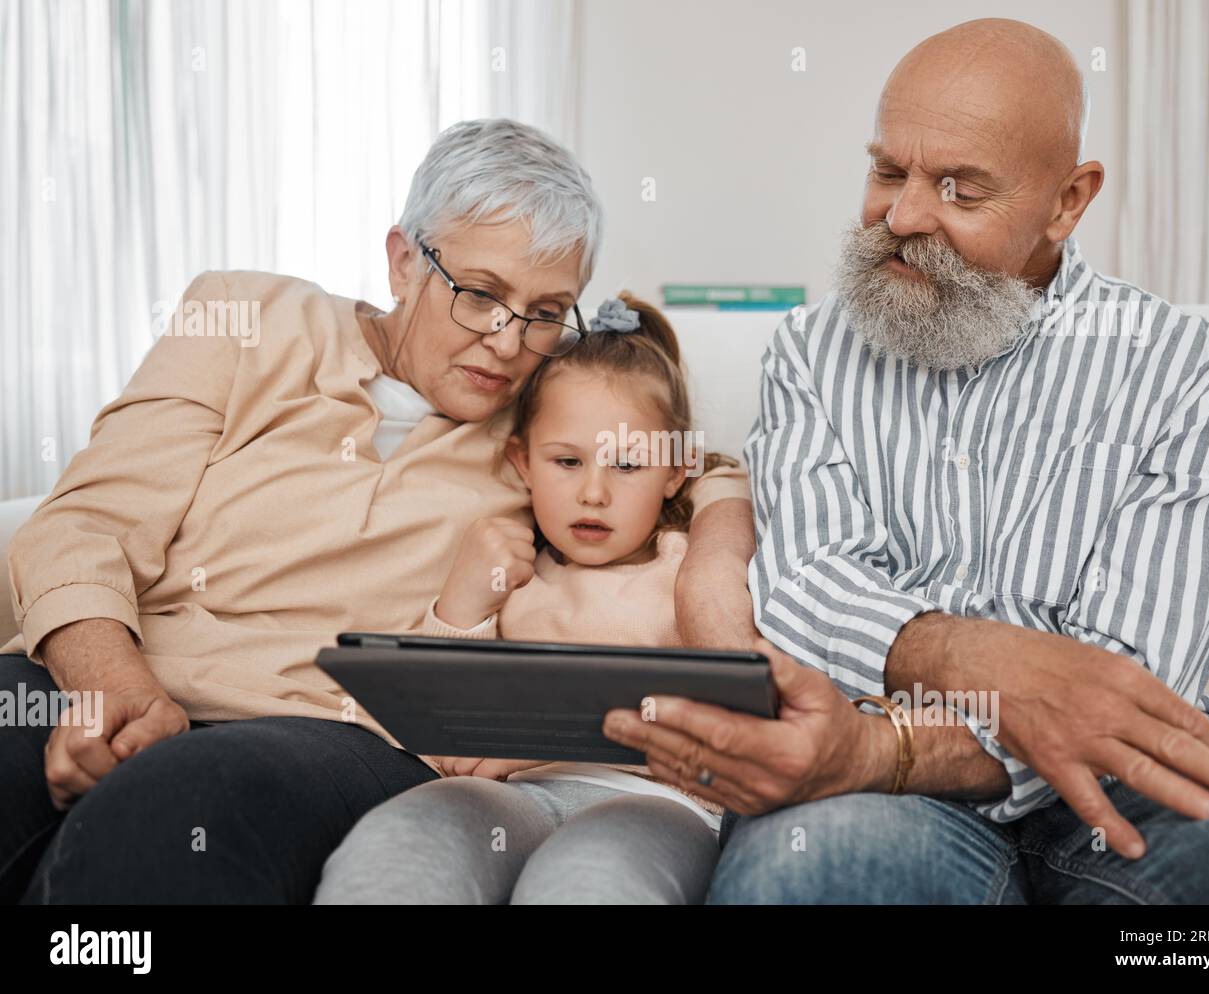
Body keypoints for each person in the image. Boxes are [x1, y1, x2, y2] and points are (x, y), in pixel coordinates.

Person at [601, 18, 1209, 903]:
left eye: (961, 190)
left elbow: (1123, 688)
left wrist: (894, 733)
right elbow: (805, 586)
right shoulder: (812, 352)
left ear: (1068, 200)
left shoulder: (1191, 373)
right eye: (889, 170)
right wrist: (978, 660)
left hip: (1128, 772)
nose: (902, 218)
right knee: (808, 872)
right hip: (878, 780)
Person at [0, 119, 755, 904]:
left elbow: (682, 461)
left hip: (322, 733)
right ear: (403, 262)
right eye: (481, 295)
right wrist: (109, 681)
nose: (507, 342)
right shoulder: (243, 318)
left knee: (172, 817)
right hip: (97, 667)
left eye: (544, 312)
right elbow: (83, 519)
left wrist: (714, 557)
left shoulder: (544, 417)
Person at [316, 293, 738, 904]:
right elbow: (440, 740)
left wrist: (534, 735)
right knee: (403, 840)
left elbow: (731, 718)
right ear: (523, 462)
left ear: (675, 472)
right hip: (515, 797)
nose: (593, 493)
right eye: (567, 461)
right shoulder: (514, 574)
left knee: (589, 879)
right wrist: (461, 601)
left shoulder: (689, 569)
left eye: (627, 466)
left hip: (658, 803)